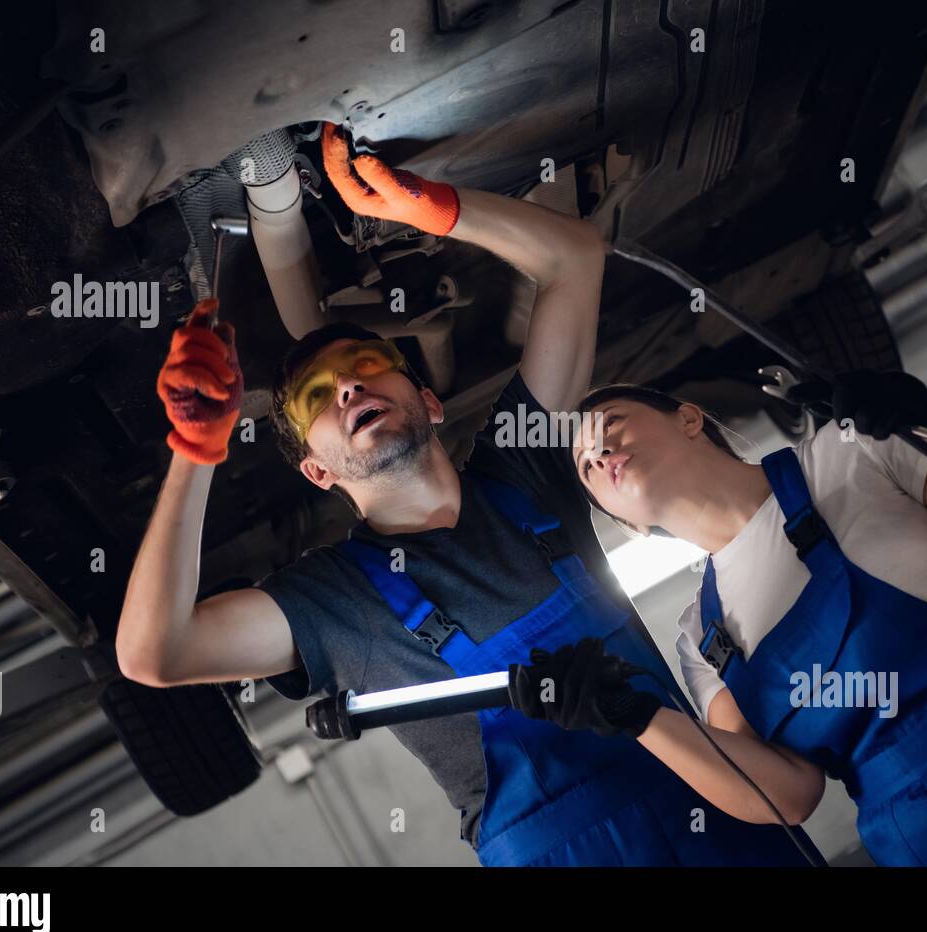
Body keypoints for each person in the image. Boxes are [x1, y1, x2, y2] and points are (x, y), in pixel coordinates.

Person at [115, 122, 821, 866]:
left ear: (430, 397)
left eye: (366, 363)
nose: (349, 384)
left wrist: (434, 207)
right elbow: (155, 653)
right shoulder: (332, 602)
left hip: (727, 820)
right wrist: (196, 449)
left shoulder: (524, 470)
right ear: (315, 472)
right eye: (318, 398)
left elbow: (575, 259)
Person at [517, 372, 927, 865]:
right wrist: (637, 720)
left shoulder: (847, 455)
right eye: (585, 465)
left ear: (690, 418)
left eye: (611, 428)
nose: (599, 453)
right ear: (628, 526)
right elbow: (785, 795)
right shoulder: (701, 638)